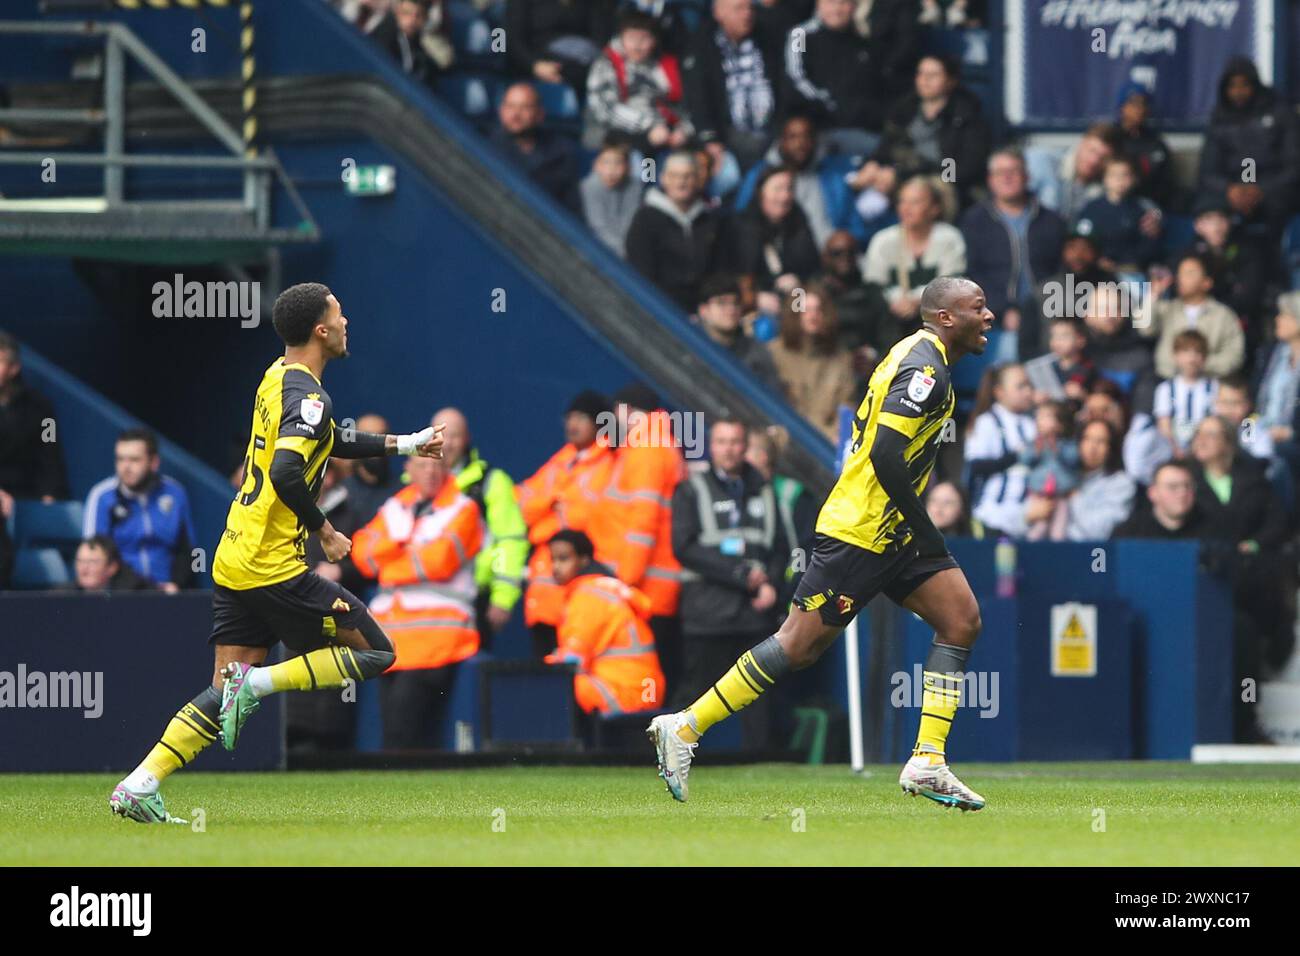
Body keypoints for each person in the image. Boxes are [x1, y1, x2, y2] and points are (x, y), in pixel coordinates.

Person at [648, 276, 995, 810]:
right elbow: (884, 452)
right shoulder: (925, 368)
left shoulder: (918, 355)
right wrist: (925, 526)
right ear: (947, 317)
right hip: (862, 530)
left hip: (892, 531)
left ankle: (928, 759)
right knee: (799, 645)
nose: (989, 316)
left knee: (961, 619)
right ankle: (686, 727)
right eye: (978, 308)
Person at [108, 283, 446, 824]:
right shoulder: (310, 397)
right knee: (376, 653)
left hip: (234, 555)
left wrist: (405, 444)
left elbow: (324, 438)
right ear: (320, 330)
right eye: (339, 314)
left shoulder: (277, 377)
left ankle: (140, 781)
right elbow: (291, 469)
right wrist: (326, 531)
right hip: (272, 564)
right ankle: (259, 683)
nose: (346, 321)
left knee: (222, 690)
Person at [352, 451, 484, 749]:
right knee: (393, 731)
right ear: (408, 468)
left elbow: (438, 562)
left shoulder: (464, 509)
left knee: (406, 733)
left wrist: (390, 562)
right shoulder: (395, 507)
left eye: (437, 465)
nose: (430, 472)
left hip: (437, 640)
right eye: (422, 465)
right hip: (392, 641)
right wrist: (401, 544)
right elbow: (362, 556)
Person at [670, 420, 790, 748]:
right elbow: (684, 548)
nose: (729, 449)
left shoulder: (765, 490)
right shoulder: (691, 489)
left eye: (736, 442)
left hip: (754, 615)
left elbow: (780, 548)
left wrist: (773, 587)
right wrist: (741, 576)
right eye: (722, 441)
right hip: (707, 613)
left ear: (744, 446)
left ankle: (761, 766)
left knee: (759, 696)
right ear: (711, 446)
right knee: (696, 694)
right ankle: (679, 754)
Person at [586, 384, 686, 696]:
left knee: (649, 677)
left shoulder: (647, 450)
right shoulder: (647, 447)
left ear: (626, 411)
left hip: (644, 588)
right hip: (647, 586)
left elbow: (642, 524)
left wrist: (623, 582)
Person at [517, 390, 616, 657]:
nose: (573, 424)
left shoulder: (609, 461)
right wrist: (551, 502)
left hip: (579, 587)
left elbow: (586, 517)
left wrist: (547, 517)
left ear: (599, 423)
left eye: (582, 417)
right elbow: (523, 505)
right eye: (569, 417)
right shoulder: (562, 460)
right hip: (546, 590)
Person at [433, 407, 529, 644]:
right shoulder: (411, 484)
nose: (447, 443)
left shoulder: (491, 482)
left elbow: (510, 542)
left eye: (454, 435)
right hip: (423, 602)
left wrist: (503, 597)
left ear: (467, 439)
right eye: (439, 435)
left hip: (474, 600)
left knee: (467, 678)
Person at [545, 529, 665, 715]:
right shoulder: (604, 588)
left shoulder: (589, 596)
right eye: (552, 559)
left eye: (563, 559)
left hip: (624, 695)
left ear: (584, 560)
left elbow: (572, 660)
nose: (555, 567)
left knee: (553, 680)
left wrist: (543, 666)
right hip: (645, 693)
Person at [853, 54, 991, 213]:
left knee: (929, 191)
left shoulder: (964, 116)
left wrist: (904, 176)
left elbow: (961, 171)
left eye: (933, 75)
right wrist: (873, 165)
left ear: (951, 81)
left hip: (942, 181)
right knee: (855, 182)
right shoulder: (905, 109)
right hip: (900, 173)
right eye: (921, 74)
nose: (924, 80)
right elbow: (887, 146)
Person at [959, 148, 1065, 342]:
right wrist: (1003, 309)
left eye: (1013, 171)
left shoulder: (1052, 220)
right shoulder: (974, 221)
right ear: (990, 180)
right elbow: (973, 274)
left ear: (1026, 176)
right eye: (1000, 173)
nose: (1007, 178)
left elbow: (1060, 270)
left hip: (1046, 311)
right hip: (994, 315)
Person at [1197, 57, 1300, 257]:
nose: (1238, 92)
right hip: (1233, 189)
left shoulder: (1280, 112)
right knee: (1207, 206)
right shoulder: (1220, 118)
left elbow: (1294, 166)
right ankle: (1211, 266)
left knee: (1279, 205)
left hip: (1272, 190)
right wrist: (1231, 190)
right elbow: (1208, 171)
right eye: (1232, 86)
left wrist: (1260, 189)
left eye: (1244, 85)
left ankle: (1273, 268)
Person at [83, 427, 196, 590]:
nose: (125, 467)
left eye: (134, 460)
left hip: (170, 593)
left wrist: (176, 584)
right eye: (120, 459)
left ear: (154, 462)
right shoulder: (102, 496)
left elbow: (187, 551)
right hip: (120, 595)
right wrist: (147, 590)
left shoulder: (175, 493)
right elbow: (95, 557)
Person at [734, 114, 867, 250]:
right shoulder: (760, 174)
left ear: (815, 141)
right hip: (776, 260)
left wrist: (843, 243)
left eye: (807, 137)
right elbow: (741, 222)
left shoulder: (832, 178)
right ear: (781, 141)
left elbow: (856, 228)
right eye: (793, 137)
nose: (800, 144)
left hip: (830, 259)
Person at [683, 0, 782, 172]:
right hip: (726, 137)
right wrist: (710, 140)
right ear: (718, 13)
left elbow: (785, 88)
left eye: (750, 8)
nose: (747, 14)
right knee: (725, 177)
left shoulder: (770, 39)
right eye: (739, 9)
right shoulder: (700, 45)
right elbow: (697, 98)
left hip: (772, 134)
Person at [861, 176, 967, 334]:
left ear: (934, 208)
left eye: (915, 202)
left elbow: (952, 286)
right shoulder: (883, 241)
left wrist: (917, 301)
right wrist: (896, 301)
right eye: (902, 201)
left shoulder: (949, 239)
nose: (906, 208)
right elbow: (873, 285)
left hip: (937, 327)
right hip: (892, 324)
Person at [626, 149, 726, 310]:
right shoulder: (645, 219)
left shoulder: (711, 220)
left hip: (702, 310)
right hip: (659, 308)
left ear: (697, 180)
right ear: (663, 178)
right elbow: (641, 274)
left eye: (687, 176)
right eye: (674, 176)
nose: (681, 182)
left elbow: (718, 272)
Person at [583, 9, 693, 153]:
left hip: (664, 132)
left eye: (644, 38)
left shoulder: (665, 65)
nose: (637, 45)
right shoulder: (606, 63)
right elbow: (605, 108)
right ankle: (648, 176)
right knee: (646, 155)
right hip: (617, 137)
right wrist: (649, 125)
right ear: (621, 37)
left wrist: (684, 129)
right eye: (631, 38)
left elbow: (684, 104)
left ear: (654, 40)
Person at [782, 0, 884, 156]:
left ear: (853, 7)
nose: (837, 9)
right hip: (816, 131)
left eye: (843, 3)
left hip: (860, 130)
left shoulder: (862, 39)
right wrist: (828, 104)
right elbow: (795, 77)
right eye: (831, 2)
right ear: (818, 4)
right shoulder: (800, 35)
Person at [766, 281, 856, 442]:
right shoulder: (773, 353)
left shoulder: (841, 358)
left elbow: (845, 409)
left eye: (818, 310)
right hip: (785, 442)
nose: (812, 315)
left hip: (827, 443)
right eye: (805, 310)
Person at [728, 165, 821, 314]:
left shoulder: (799, 222)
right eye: (777, 189)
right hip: (751, 304)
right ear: (761, 193)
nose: (785, 197)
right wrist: (755, 298)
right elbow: (729, 275)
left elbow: (813, 270)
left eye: (789, 189)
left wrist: (797, 283)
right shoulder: (740, 227)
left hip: (793, 300)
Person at [1141, 252, 1244, 380]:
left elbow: (1235, 356)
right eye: (1180, 273)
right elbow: (1144, 328)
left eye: (1189, 273)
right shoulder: (1167, 308)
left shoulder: (1223, 315)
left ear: (1207, 283)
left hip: (1211, 384)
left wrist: (1200, 364)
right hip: (1167, 381)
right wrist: (1153, 293)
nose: (1181, 278)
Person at [964, 363, 1035, 537]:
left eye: (1029, 386)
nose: (1028, 392)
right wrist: (1016, 456)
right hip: (993, 517)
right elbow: (976, 466)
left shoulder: (1033, 423)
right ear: (999, 392)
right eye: (1021, 386)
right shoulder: (987, 422)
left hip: (1030, 517)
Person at [0, 330, 68, 506]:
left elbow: (50, 451)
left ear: (14, 368)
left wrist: (50, 494)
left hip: (26, 497)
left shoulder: (42, 407)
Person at [488, 83, 580, 212]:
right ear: (501, 111)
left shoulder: (560, 152)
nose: (515, 115)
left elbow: (570, 206)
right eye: (510, 106)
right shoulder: (485, 147)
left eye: (524, 108)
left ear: (540, 114)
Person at [694, 274, 785, 393]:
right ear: (703, 310)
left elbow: (772, 394)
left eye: (736, 303)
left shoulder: (756, 351)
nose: (731, 309)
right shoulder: (693, 348)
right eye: (722, 302)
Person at [1073, 156, 1162, 274]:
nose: (1119, 180)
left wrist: (1124, 265)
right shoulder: (1091, 208)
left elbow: (1148, 246)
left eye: (1125, 175)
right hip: (1094, 269)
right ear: (1104, 178)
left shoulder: (1142, 209)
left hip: (1130, 271)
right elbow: (1082, 240)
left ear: (1134, 179)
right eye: (1113, 175)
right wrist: (1096, 260)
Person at [505, 0, 614, 92]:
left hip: (584, 65)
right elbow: (513, 40)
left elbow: (601, 39)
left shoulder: (591, 3)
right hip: (538, 61)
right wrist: (535, 66)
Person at [1059, 418, 1135, 540]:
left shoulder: (1121, 483)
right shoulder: (1062, 473)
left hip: (1093, 555)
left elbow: (1099, 531)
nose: (1092, 447)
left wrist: (1074, 497)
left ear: (1111, 448)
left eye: (1101, 441)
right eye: (1087, 439)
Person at [1019, 400, 1080, 540]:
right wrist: (1036, 450)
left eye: (1046, 416)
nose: (1040, 421)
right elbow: (1024, 459)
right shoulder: (1034, 443)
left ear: (1060, 423)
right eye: (1038, 417)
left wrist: (1058, 449)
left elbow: (1074, 458)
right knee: (1037, 531)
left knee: (1059, 532)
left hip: (1061, 495)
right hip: (1039, 495)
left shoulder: (1066, 444)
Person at [1153, 330, 1217, 455]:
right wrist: (1175, 449)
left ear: (1205, 357)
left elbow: (1215, 421)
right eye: (1186, 352)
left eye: (1197, 353)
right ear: (1175, 356)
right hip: (1174, 449)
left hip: (1205, 447)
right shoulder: (1165, 389)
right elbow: (1164, 425)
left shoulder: (1214, 387)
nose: (1191, 359)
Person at [581, 140, 644, 258]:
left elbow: (631, 221)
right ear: (596, 165)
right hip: (600, 249)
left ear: (628, 168)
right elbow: (598, 227)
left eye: (618, 164)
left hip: (628, 247)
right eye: (606, 163)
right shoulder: (589, 186)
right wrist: (623, 251)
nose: (611, 170)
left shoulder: (635, 186)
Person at [1114, 460, 1207, 539]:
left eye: (1187, 486)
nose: (1183, 493)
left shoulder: (1211, 530)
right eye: (1173, 487)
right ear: (1152, 493)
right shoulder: (1128, 535)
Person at [370, 0, 440, 88]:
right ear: (397, 12)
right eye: (406, 13)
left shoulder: (420, 45)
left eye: (419, 16)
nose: (412, 20)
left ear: (425, 19)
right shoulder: (384, 36)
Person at [72, 535, 151, 592]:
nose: (83, 568)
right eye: (80, 561)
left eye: (92, 562)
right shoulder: (65, 596)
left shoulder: (137, 593)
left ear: (112, 567)